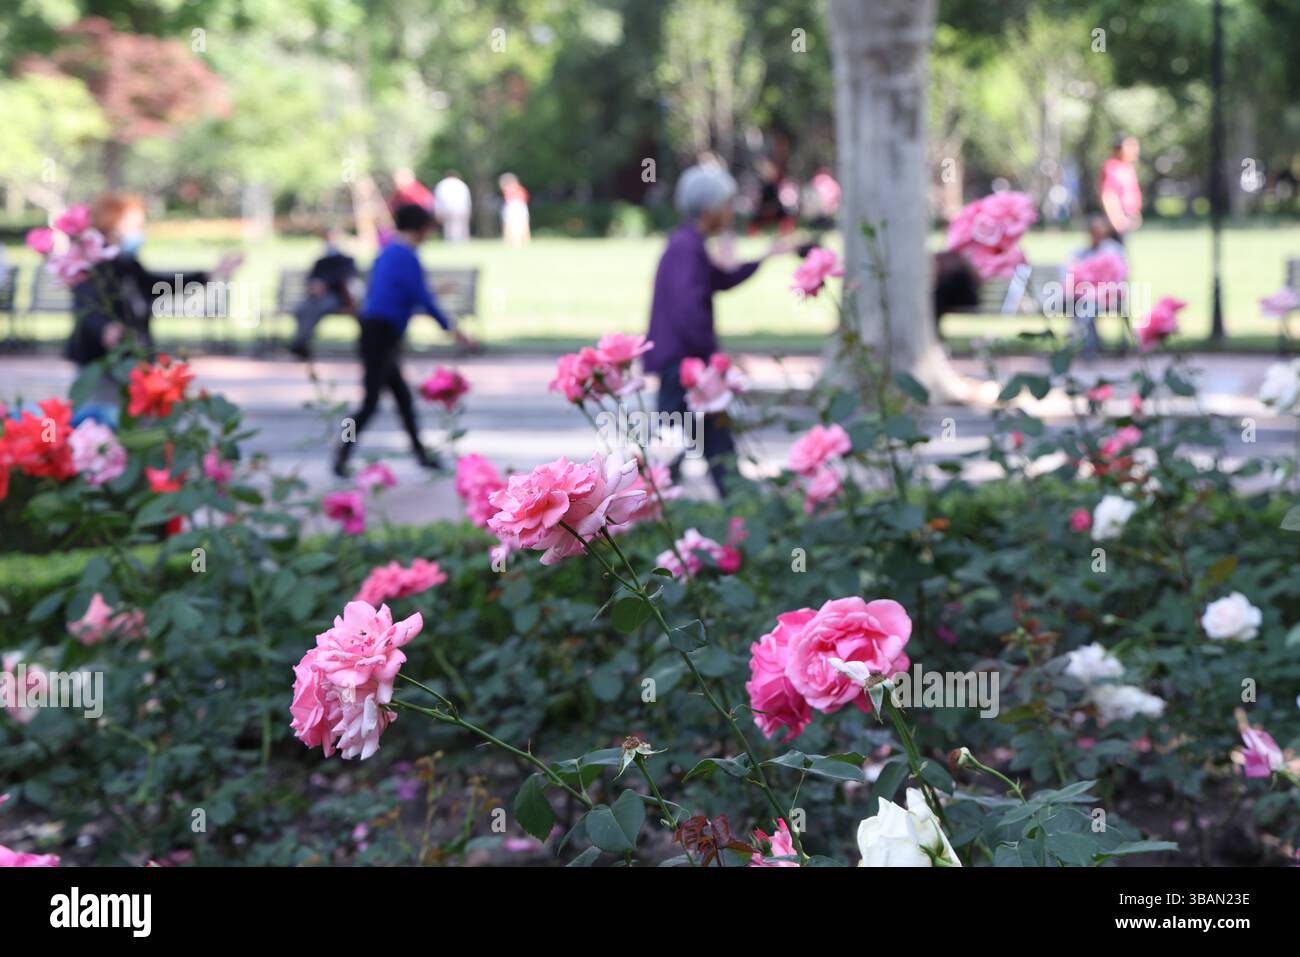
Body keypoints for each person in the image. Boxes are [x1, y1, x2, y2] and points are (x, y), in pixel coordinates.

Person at [644, 164, 797, 497]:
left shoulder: (689, 245)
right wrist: (717, 357)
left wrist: (766, 257)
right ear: (710, 208)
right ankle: (656, 520)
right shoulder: (686, 249)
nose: (731, 211)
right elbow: (689, 311)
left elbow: (720, 279)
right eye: (728, 203)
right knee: (674, 453)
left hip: (692, 368)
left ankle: (738, 512)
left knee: (708, 446)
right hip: (683, 369)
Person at [333, 204, 474, 477]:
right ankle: (341, 453)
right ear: (421, 228)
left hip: (377, 332)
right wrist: (453, 329)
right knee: (370, 403)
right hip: (380, 334)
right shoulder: (406, 255)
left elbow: (400, 291)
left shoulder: (389, 251)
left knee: (403, 400)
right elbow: (422, 297)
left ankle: (421, 456)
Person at [66, 192, 242, 369]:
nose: (140, 232)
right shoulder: (92, 263)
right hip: (100, 360)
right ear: (111, 224)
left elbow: (157, 285)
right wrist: (104, 328)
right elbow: (86, 302)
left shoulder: (127, 263)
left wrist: (209, 274)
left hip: (134, 354)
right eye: (135, 226)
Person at [288, 228, 362, 359]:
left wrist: (326, 284)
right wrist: (314, 285)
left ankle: (299, 343)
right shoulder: (320, 262)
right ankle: (300, 343)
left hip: (336, 297)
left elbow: (349, 278)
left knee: (317, 308)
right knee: (302, 308)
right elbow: (311, 278)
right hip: (315, 297)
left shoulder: (346, 261)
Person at [1100, 135, 1143, 242]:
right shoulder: (1112, 168)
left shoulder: (1128, 168)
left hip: (1128, 216)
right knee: (1115, 252)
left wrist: (1135, 213)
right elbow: (1108, 194)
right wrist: (1116, 218)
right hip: (1119, 217)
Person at [434, 171, 472, 243]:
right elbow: (467, 200)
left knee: (449, 228)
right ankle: (461, 242)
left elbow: (438, 200)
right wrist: (468, 212)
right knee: (461, 227)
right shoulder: (461, 184)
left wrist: (438, 212)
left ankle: (451, 242)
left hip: (447, 208)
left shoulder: (442, 184)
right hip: (460, 208)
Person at [498, 173, 530, 245]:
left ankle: (518, 241)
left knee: (515, 225)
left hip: (515, 208)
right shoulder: (519, 189)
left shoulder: (512, 190)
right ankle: (514, 241)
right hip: (517, 207)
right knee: (515, 225)